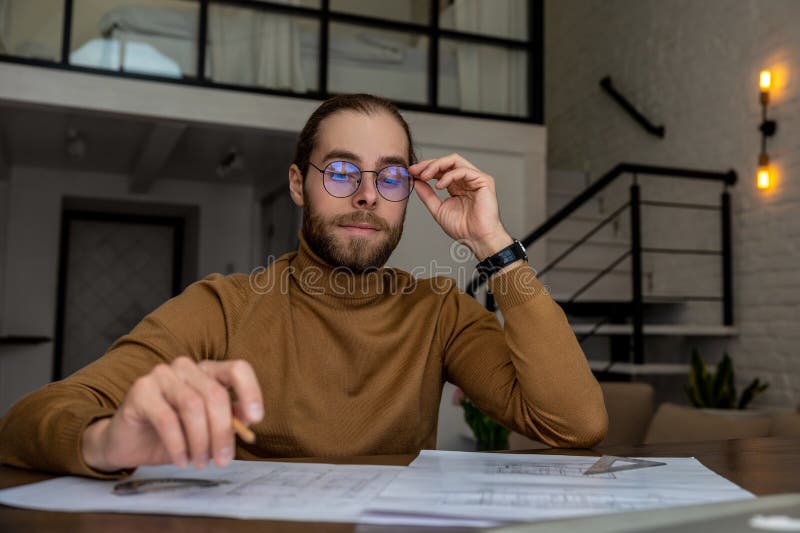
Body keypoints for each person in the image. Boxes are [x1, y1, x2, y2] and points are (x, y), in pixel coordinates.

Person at [0, 94, 607, 478]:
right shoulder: (224, 307)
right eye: (341, 171)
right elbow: (31, 419)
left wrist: (493, 246)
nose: (366, 195)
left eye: (391, 177)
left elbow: (574, 424)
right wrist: (108, 442)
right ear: (298, 184)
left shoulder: (440, 311)